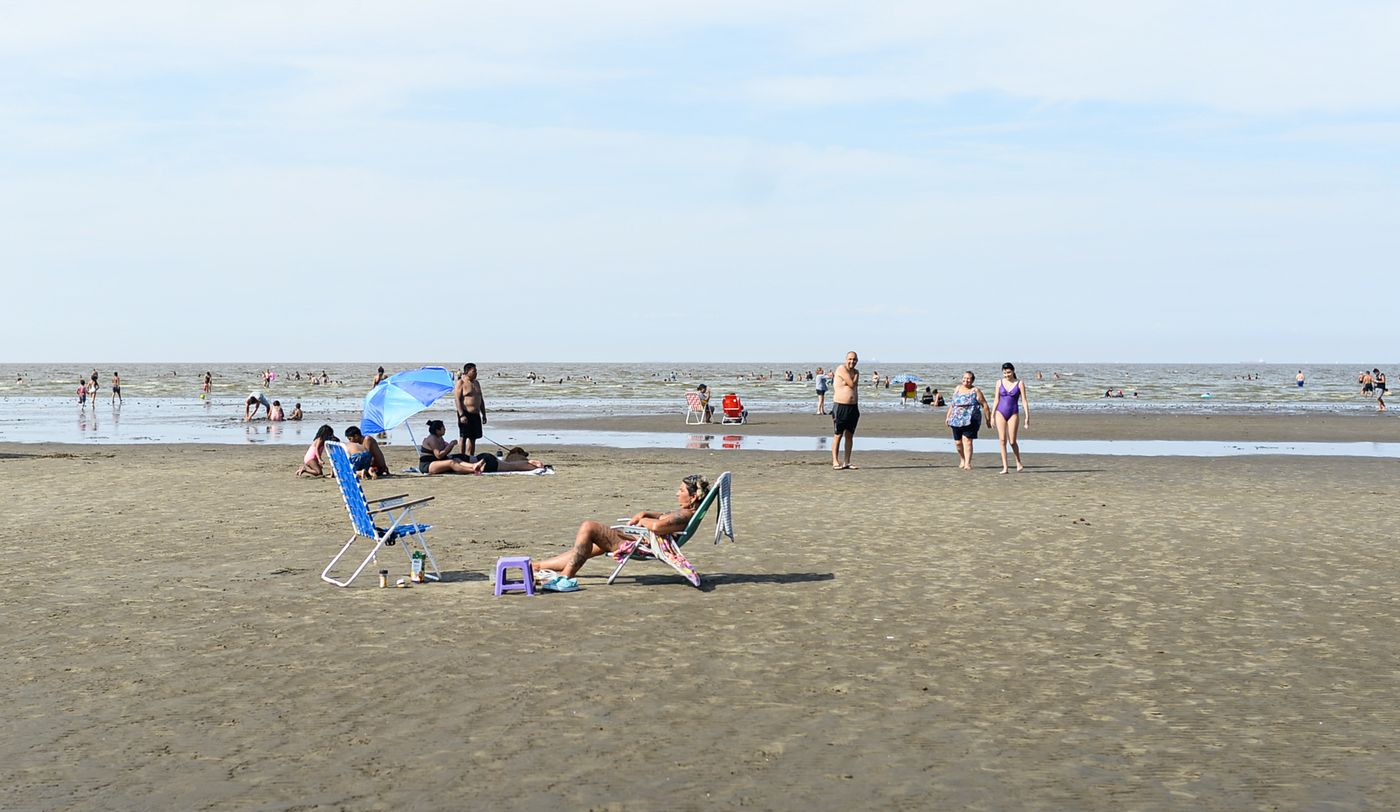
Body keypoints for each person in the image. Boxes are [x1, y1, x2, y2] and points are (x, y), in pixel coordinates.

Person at [530, 474, 710, 592]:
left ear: (693, 497)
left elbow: (657, 527)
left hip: (640, 545)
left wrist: (643, 521)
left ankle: (566, 578)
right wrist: (645, 513)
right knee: (588, 545)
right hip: (639, 540)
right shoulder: (686, 512)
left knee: (589, 527)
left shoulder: (684, 515)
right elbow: (663, 517)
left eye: (681, 490)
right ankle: (538, 566)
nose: (677, 493)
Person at [946, 371, 991, 471]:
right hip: (956, 419)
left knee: (967, 441)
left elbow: (985, 405)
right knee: (958, 443)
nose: (966, 380)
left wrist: (988, 419)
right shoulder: (957, 388)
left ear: (972, 380)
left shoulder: (975, 391)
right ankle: (962, 459)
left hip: (971, 420)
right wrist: (948, 416)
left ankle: (967, 463)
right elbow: (953, 404)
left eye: (968, 378)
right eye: (964, 378)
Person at [992, 362, 1030, 474]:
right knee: (1002, 440)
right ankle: (1005, 467)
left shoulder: (1020, 383)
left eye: (1008, 372)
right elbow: (996, 400)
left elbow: (1024, 400)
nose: (1007, 375)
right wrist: (992, 415)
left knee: (1012, 441)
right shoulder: (999, 383)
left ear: (1013, 371)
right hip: (1000, 412)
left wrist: (1027, 417)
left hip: (1013, 413)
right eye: (1004, 373)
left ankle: (1018, 461)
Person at [418, 419, 488, 474]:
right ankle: (474, 470)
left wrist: (450, 446)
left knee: (456, 460)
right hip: (427, 465)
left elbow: (445, 453)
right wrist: (450, 445)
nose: (445, 429)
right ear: (437, 430)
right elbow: (439, 455)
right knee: (451, 462)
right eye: (443, 428)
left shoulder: (439, 437)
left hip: (436, 461)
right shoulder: (432, 439)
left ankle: (474, 465)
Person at [831, 351, 860, 469]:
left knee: (849, 435)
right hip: (841, 406)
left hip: (853, 407)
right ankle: (835, 461)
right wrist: (856, 376)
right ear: (846, 359)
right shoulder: (841, 369)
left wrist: (856, 375)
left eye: (854, 359)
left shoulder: (856, 371)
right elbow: (852, 384)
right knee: (838, 434)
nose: (852, 361)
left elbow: (853, 387)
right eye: (850, 359)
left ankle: (847, 461)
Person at [454, 363, 487, 457]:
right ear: (467, 371)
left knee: (473, 437)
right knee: (464, 436)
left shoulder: (476, 383)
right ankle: (462, 456)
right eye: (474, 371)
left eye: (476, 371)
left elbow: (481, 399)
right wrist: (461, 415)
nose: (476, 373)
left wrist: (484, 414)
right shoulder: (461, 383)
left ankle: (470, 457)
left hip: (476, 414)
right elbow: (457, 399)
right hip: (465, 413)